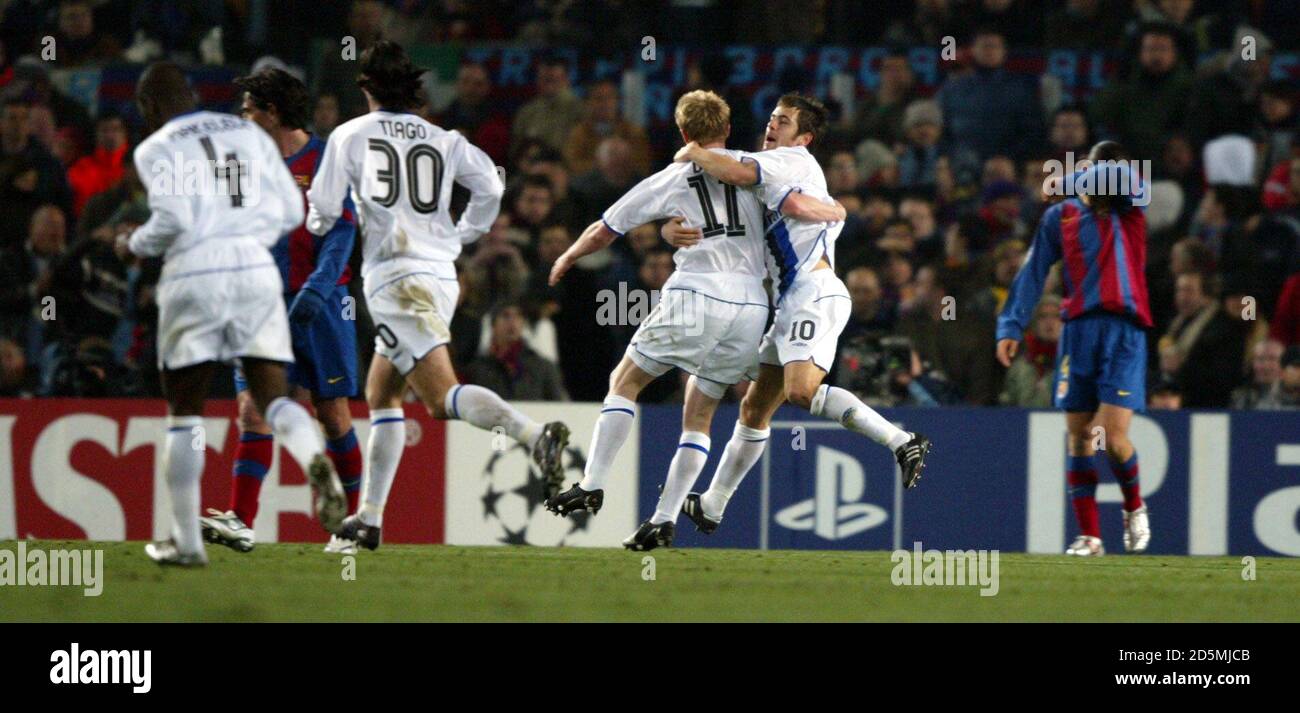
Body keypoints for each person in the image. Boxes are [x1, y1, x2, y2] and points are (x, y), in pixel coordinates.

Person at [544, 89, 844, 550]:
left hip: (697, 291)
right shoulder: (754, 168)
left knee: (624, 382)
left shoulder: (672, 176)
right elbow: (791, 208)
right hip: (751, 306)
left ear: (684, 133)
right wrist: (836, 210)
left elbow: (606, 228)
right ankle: (664, 519)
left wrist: (568, 254)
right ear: (726, 130)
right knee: (699, 411)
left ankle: (591, 484)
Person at [305, 41, 569, 552]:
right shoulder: (444, 138)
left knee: (441, 398)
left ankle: (534, 437)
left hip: (395, 278)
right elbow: (491, 186)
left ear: (366, 89)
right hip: (441, 275)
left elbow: (321, 208)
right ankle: (369, 521)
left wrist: (322, 224)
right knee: (382, 394)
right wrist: (461, 233)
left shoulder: (349, 135)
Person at [663, 94, 932, 537]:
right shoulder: (777, 174)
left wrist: (694, 149)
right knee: (753, 408)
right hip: (790, 302)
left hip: (814, 294)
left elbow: (734, 171)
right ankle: (712, 504)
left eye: (784, 121)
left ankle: (902, 441)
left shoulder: (790, 160)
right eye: (771, 117)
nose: (772, 125)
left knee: (802, 392)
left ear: (803, 137)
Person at [124, 61, 345, 566]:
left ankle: (187, 543)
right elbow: (294, 211)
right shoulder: (242, 133)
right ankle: (315, 463)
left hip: (193, 274)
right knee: (274, 398)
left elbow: (172, 220)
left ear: (148, 108)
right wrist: (247, 237)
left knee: (185, 414)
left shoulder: (156, 148)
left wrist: (130, 243)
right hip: (256, 271)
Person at [198, 67, 364, 556]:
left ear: (271, 113)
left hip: (324, 303)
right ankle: (241, 520)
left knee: (332, 415)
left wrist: (318, 286)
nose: (241, 117)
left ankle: (351, 524)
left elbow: (342, 229)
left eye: (248, 109)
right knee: (252, 410)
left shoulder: (325, 157)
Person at [996, 141, 1151, 557]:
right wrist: (1010, 324)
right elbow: (1033, 273)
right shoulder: (1060, 217)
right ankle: (1090, 537)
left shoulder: (1130, 210)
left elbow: (1128, 180)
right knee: (1080, 437)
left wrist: (1064, 179)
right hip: (1077, 332)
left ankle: (1133, 506)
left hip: (1124, 331)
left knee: (1110, 436)